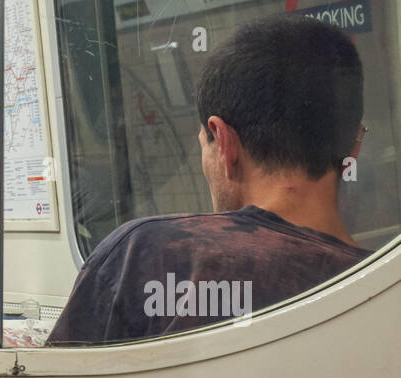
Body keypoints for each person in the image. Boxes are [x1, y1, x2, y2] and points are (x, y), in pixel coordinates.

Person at [46, 16, 370, 346]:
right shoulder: (380, 288)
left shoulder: (144, 256)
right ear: (354, 147)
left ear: (224, 143)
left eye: (204, 142)